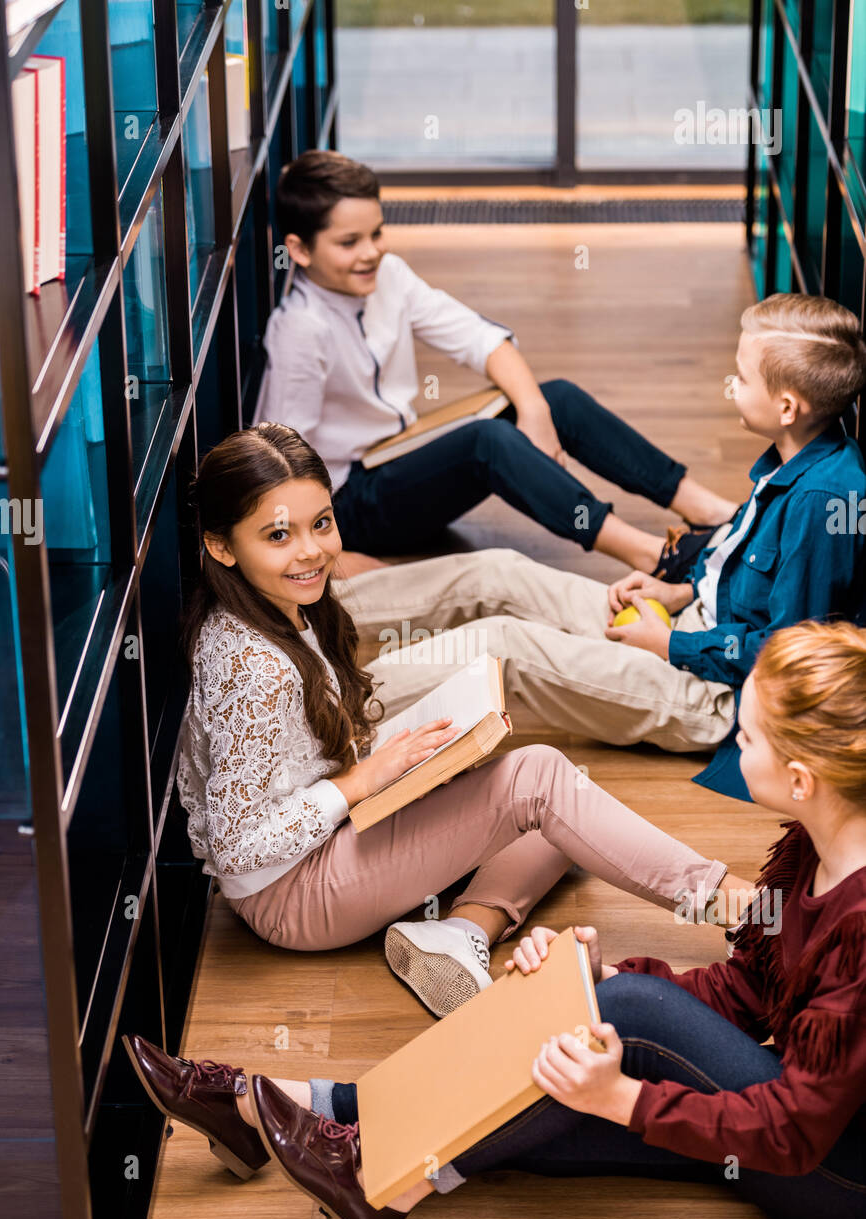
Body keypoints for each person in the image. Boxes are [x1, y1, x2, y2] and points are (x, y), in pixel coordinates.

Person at [128, 619, 866, 1219]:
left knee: (615, 1034)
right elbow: (746, 989)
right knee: (563, 1071)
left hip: (834, 1175)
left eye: (747, 737)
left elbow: (794, 1134)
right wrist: (594, 982)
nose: (734, 746)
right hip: (797, 1128)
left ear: (801, 779)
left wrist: (623, 1095)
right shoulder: (811, 846)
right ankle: (309, 1119)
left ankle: (369, 1173)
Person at [175, 422, 750, 1014]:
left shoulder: (276, 603)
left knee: (566, 807)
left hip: (326, 834)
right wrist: (362, 781)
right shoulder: (252, 666)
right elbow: (238, 846)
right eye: (278, 535)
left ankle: (460, 932)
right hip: (293, 893)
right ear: (221, 545)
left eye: (321, 523)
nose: (312, 550)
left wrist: (390, 768)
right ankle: (740, 908)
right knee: (545, 784)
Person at [331, 291, 866, 800]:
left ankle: (326, 715)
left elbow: (787, 657)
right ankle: (308, 615)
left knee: (504, 648)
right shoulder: (790, 457)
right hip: (685, 625)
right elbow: (742, 567)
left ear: (788, 406)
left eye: (742, 378)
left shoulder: (823, 499)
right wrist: (675, 592)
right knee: (496, 570)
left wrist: (669, 645)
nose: (731, 385)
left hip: (715, 694)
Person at [252, 150, 737, 578]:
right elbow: (278, 467)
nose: (372, 251)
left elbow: (481, 340)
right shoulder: (300, 330)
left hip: (399, 452)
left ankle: (710, 510)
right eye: (349, 242)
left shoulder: (391, 276)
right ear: (298, 249)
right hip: (348, 504)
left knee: (556, 398)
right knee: (487, 443)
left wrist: (535, 413)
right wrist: (326, 557)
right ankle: (654, 556)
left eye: (377, 233)